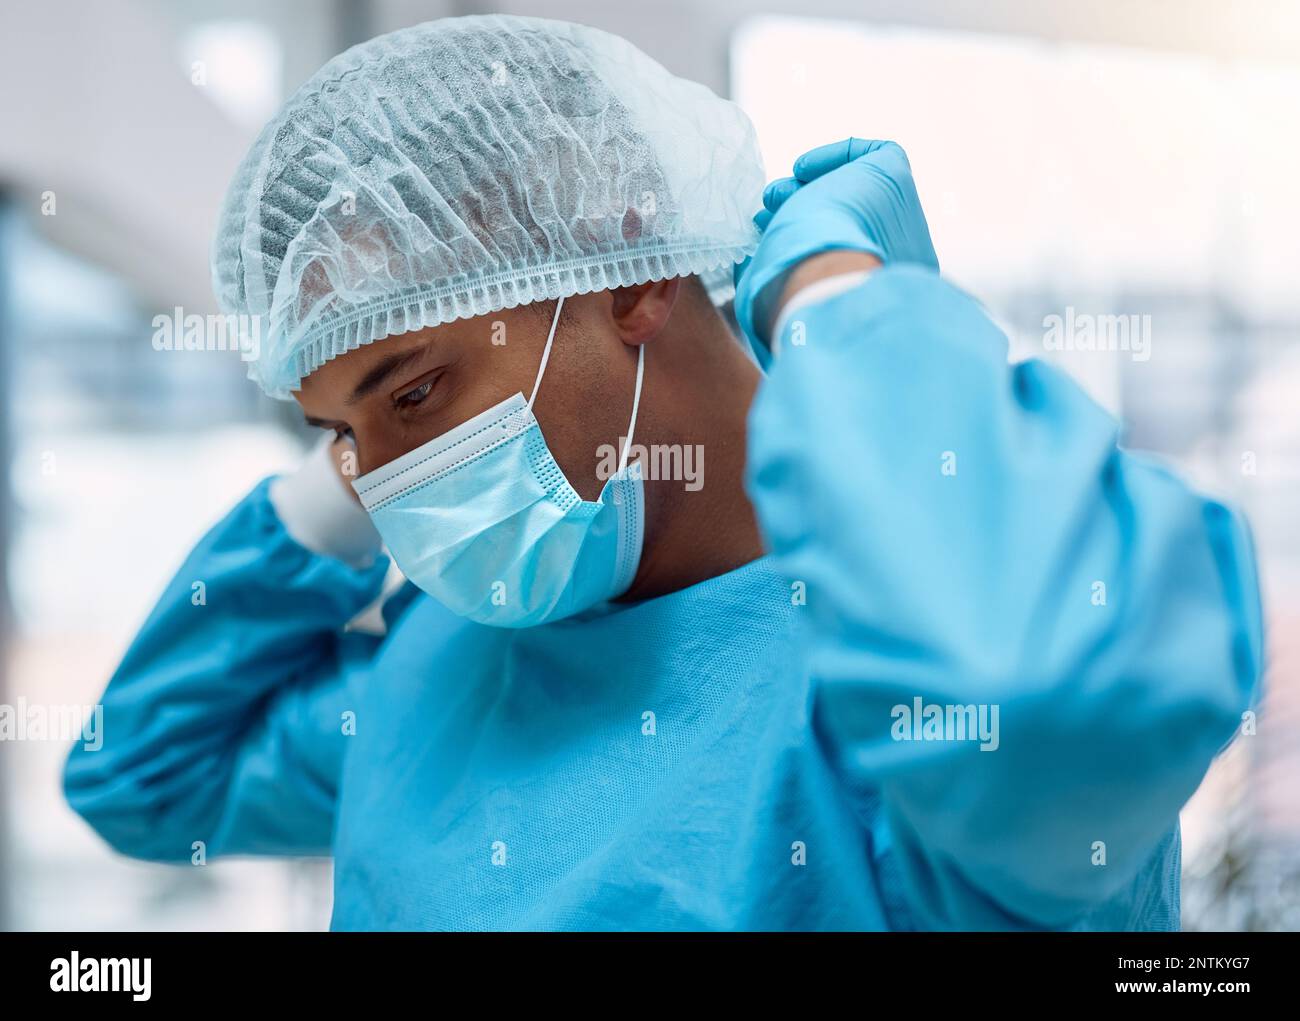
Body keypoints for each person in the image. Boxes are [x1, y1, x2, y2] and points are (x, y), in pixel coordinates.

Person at [64, 15, 1262, 931]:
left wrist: (846, 306)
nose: (381, 478)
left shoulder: (897, 676)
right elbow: (142, 776)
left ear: (632, 264)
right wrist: (344, 475)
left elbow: (1053, 702)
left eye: (417, 388)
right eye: (337, 434)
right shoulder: (441, 666)